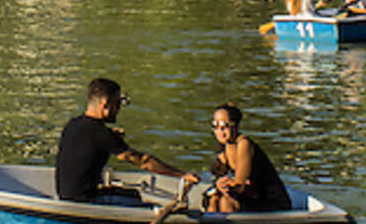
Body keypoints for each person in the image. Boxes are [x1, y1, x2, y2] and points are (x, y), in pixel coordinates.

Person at [55, 77, 197, 204]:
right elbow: (143, 162)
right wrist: (181, 175)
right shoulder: (101, 134)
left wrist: (110, 137)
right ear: (104, 104)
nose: (118, 109)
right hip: (85, 200)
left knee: (130, 193)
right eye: (117, 104)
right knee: (138, 201)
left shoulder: (73, 124)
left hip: (65, 195)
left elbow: (88, 142)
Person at [204, 104, 294, 213]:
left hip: (271, 202)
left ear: (235, 125)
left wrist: (224, 187)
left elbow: (240, 186)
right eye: (215, 125)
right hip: (251, 197)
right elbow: (218, 177)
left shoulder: (244, 144)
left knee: (226, 201)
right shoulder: (224, 147)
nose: (219, 130)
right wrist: (218, 187)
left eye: (224, 125)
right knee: (213, 199)